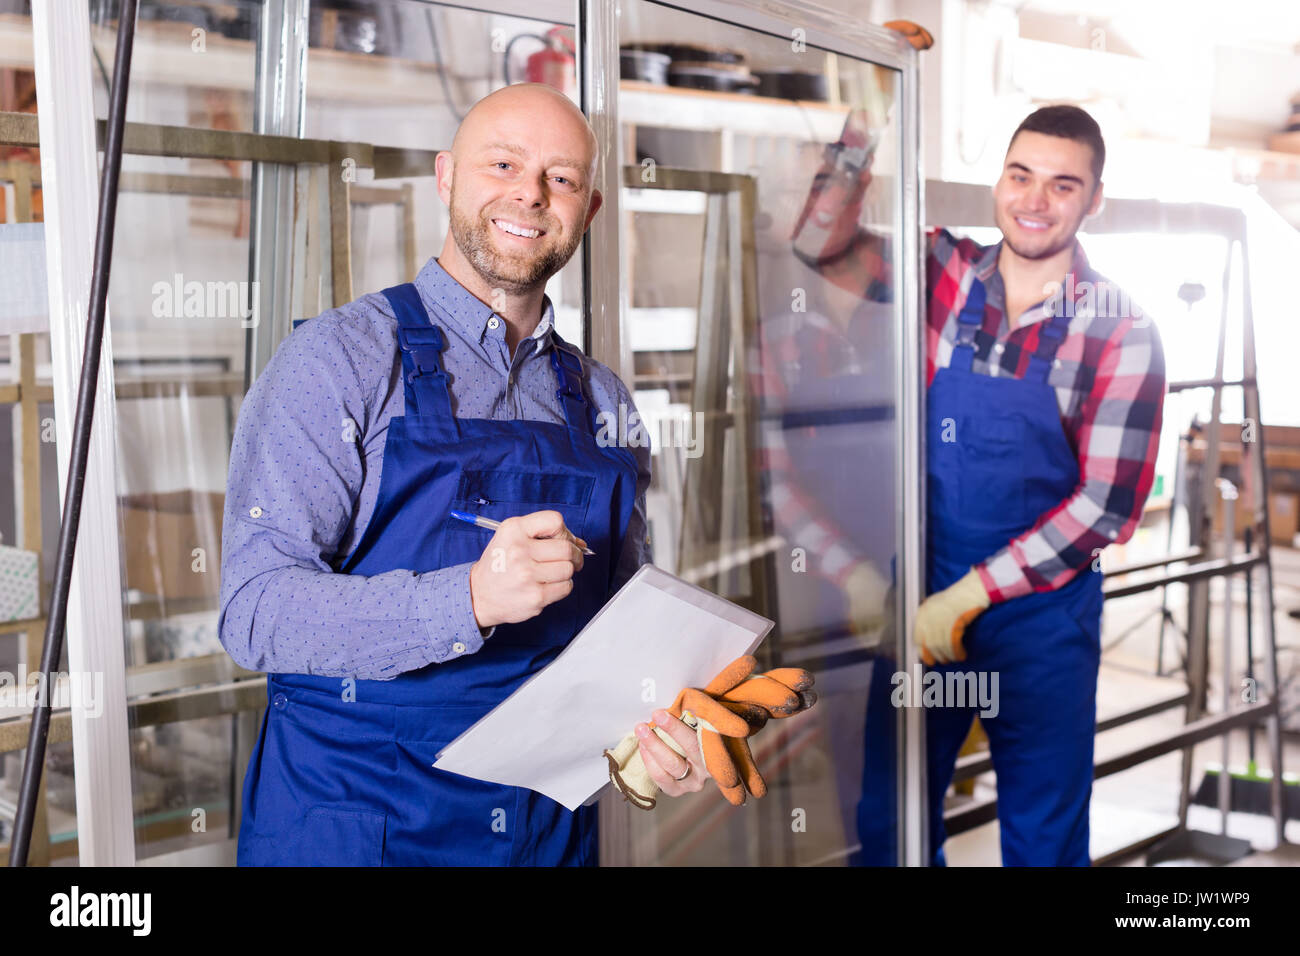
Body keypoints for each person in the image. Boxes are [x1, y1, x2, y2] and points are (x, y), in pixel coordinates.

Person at [219, 83, 709, 866]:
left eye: (562, 178)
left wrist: (651, 735)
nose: (530, 192)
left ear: (589, 209)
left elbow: (616, 636)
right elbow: (254, 611)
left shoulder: (603, 399)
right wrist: (469, 598)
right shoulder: (338, 362)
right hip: (358, 827)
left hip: (542, 838)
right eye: (503, 163)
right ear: (446, 176)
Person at [790, 103, 1167, 865]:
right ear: (999, 180)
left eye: (1063, 185)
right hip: (919, 590)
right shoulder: (943, 268)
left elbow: (1106, 508)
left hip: (1040, 623)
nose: (1034, 199)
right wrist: (870, 118)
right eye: (1020, 175)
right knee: (892, 820)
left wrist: (970, 597)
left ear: (1094, 201)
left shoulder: (1123, 331)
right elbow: (815, 242)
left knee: (1042, 837)